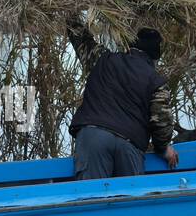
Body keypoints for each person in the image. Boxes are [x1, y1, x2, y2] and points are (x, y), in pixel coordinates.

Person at [68, 25, 178, 179]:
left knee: (91, 197)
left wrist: (72, 16)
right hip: (129, 145)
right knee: (129, 199)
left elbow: (81, 40)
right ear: (155, 58)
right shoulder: (156, 81)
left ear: (131, 46)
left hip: (93, 138)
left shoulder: (103, 59)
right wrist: (163, 148)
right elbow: (161, 121)